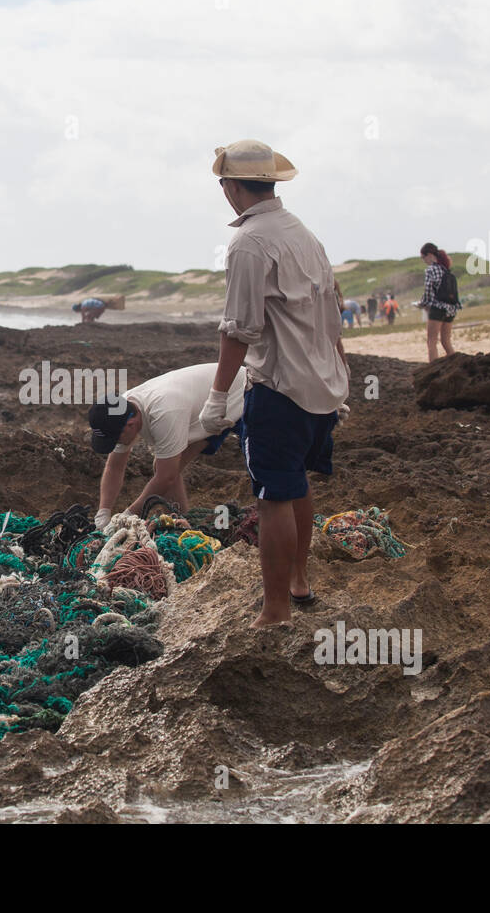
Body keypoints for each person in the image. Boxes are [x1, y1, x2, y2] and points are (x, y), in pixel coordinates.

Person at [202, 139, 348, 626]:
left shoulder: (249, 242)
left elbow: (239, 330)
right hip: (320, 387)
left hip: (280, 388)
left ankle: (275, 610)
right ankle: (298, 582)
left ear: (230, 187)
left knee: (273, 497)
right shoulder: (303, 233)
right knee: (297, 484)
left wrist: (217, 396)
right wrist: (338, 375)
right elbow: (331, 311)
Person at [87, 363, 246, 529]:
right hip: (202, 409)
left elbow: (166, 477)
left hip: (239, 393)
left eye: (116, 440)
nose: (116, 444)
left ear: (131, 424)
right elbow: (114, 467)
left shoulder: (163, 413)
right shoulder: (122, 409)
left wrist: (129, 515)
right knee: (165, 465)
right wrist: (103, 511)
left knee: (262, 466)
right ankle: (183, 524)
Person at [417, 242, 460, 362]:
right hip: (451, 309)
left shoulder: (431, 270)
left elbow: (428, 291)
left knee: (431, 341)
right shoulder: (446, 269)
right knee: (446, 341)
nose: (423, 260)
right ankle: (456, 364)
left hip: (438, 308)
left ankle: (433, 369)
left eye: (423, 257)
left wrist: (422, 304)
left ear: (429, 255)